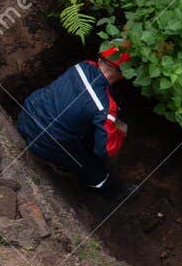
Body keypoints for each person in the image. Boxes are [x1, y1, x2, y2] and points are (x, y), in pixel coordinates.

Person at [16, 46, 133, 198]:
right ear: (122, 74)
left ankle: (63, 158)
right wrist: (119, 131)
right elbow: (104, 149)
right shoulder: (105, 106)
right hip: (47, 142)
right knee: (96, 172)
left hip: (27, 115)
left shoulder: (82, 66)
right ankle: (113, 191)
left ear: (99, 59)